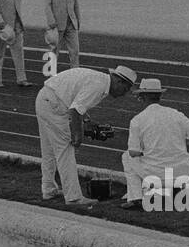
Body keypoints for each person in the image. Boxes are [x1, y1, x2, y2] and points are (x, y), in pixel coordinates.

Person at [35, 66, 138, 207]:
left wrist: (87, 121)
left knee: (49, 150)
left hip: (45, 98)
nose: (123, 94)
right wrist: (78, 135)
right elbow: (75, 110)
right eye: (125, 89)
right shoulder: (98, 86)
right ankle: (73, 198)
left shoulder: (100, 81)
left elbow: (77, 102)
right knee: (66, 150)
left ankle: (48, 189)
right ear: (119, 81)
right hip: (54, 104)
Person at [119, 78, 189, 209]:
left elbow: (133, 152)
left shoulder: (138, 120)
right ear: (160, 96)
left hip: (156, 175)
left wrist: (145, 151)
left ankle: (136, 198)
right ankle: (175, 189)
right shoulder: (176, 114)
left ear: (143, 97)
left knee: (126, 156)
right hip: (182, 173)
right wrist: (183, 146)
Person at [45, 0, 81, 69]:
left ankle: (75, 73)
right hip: (57, 24)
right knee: (54, 50)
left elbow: (76, 4)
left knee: (75, 50)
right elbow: (47, 5)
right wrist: (51, 21)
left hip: (71, 23)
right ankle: (51, 74)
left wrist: (78, 20)